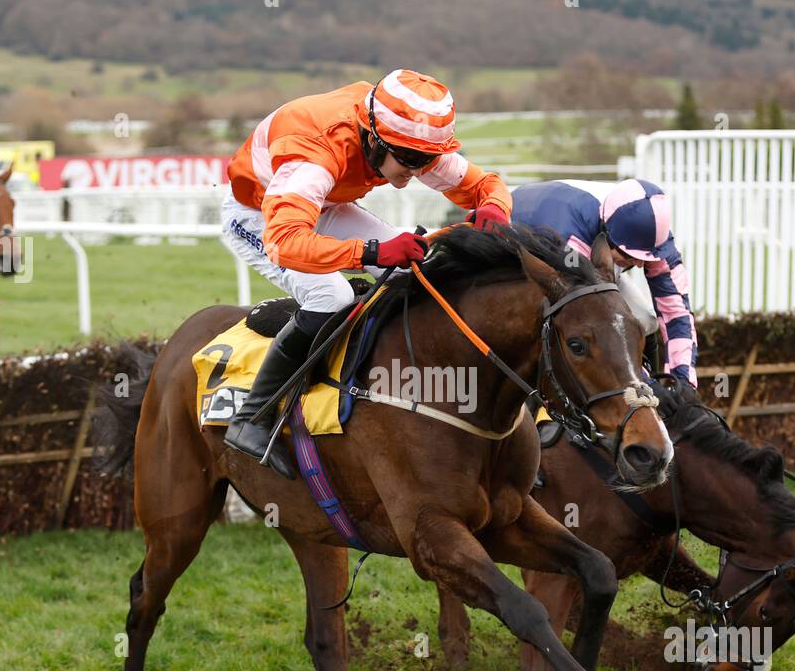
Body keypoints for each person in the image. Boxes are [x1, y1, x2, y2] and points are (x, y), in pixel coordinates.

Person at [221, 69, 513, 477]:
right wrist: (372, 251)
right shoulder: (317, 153)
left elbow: (488, 185)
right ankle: (251, 418)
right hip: (260, 218)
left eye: (427, 161)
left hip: (323, 206)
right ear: (373, 138)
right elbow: (285, 242)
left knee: (419, 268)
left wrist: (496, 211)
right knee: (332, 296)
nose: (417, 171)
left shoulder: (406, 134)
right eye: (409, 161)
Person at [511, 178, 698, 388]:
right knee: (569, 330)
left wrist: (683, 383)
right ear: (607, 235)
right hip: (531, 244)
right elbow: (598, 324)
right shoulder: (570, 240)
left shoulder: (654, 238)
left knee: (645, 320)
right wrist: (643, 385)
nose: (638, 265)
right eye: (629, 256)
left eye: (646, 258)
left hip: (592, 249)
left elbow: (676, 313)